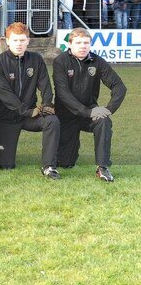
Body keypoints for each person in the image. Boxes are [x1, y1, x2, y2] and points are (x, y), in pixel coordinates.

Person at [0, 22, 61, 178]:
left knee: (52, 120)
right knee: (5, 165)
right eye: (15, 40)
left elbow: (45, 85)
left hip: (30, 117)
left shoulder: (36, 59)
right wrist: (28, 111)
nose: (19, 44)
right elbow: (6, 95)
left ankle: (49, 167)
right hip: (7, 118)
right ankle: (4, 156)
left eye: (22, 40)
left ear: (28, 40)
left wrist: (47, 104)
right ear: (7, 41)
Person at [52, 28, 126, 182]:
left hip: (90, 112)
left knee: (103, 120)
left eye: (86, 43)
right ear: (70, 44)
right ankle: (70, 151)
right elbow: (63, 94)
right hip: (66, 115)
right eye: (78, 43)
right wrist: (87, 112)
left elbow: (119, 86)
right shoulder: (61, 61)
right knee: (66, 163)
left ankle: (103, 167)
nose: (83, 46)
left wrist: (108, 109)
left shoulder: (97, 61)